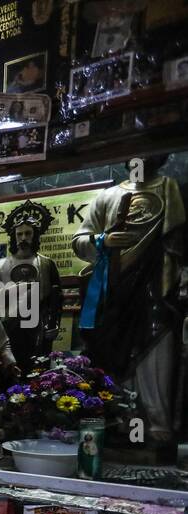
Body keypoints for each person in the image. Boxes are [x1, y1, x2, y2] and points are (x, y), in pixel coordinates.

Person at [73, 157, 185, 445]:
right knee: (114, 353)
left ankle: (156, 421)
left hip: (155, 286)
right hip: (114, 292)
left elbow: (178, 239)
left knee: (155, 343)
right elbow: (79, 240)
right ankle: (122, 420)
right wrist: (103, 241)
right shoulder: (107, 197)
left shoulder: (170, 188)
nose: (140, 159)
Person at [0, 200, 63, 366]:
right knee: (8, 367)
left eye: (28, 233)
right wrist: (5, 293)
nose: (23, 238)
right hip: (7, 324)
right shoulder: (0, 265)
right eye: (19, 234)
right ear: (14, 237)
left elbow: (56, 296)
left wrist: (54, 322)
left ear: (35, 235)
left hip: (38, 324)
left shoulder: (47, 264)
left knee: (36, 367)